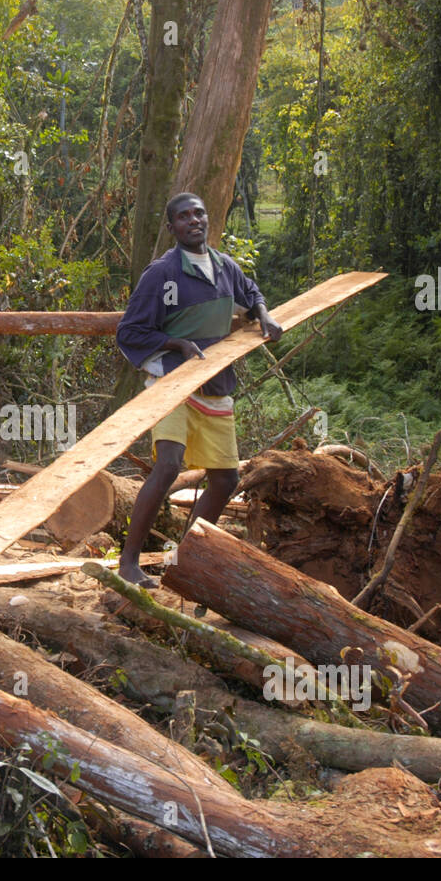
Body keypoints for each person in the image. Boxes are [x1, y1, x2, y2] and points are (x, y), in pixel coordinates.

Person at [115, 192, 283, 587]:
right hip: (172, 382)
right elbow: (130, 331)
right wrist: (177, 344)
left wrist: (264, 316)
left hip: (216, 383)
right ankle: (128, 563)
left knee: (226, 480)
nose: (194, 221)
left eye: (199, 213)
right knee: (169, 463)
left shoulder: (225, 267)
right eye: (184, 216)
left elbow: (252, 294)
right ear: (171, 227)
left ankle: (182, 562)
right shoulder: (163, 273)